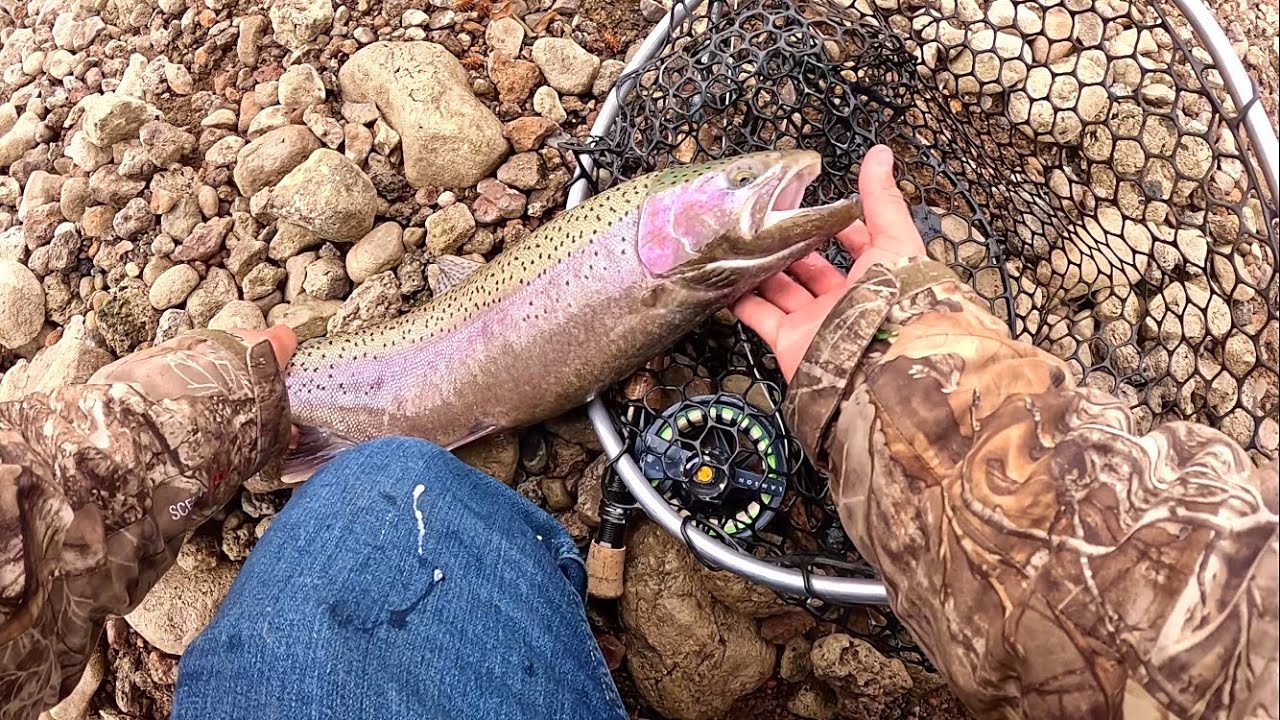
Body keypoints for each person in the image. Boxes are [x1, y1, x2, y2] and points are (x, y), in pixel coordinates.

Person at [1, 145, 1275, 720]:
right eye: (735, 192)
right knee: (373, 495)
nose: (766, 193)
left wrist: (184, 416)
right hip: (332, 394)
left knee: (366, 507)